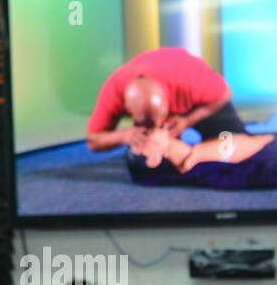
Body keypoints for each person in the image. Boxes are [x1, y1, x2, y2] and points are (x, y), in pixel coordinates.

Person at [87, 46, 245, 152]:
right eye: (147, 121)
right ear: (128, 109)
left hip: (196, 104)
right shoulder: (113, 91)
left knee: (233, 146)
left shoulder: (190, 83)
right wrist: (125, 136)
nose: (157, 126)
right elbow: (93, 140)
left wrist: (187, 120)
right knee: (147, 165)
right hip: (166, 89)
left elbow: (225, 93)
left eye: (160, 118)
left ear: (168, 101)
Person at [126, 126, 277, 188]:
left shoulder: (197, 151)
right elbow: (255, 146)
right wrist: (198, 152)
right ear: (153, 160)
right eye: (144, 137)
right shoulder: (195, 159)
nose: (147, 130)